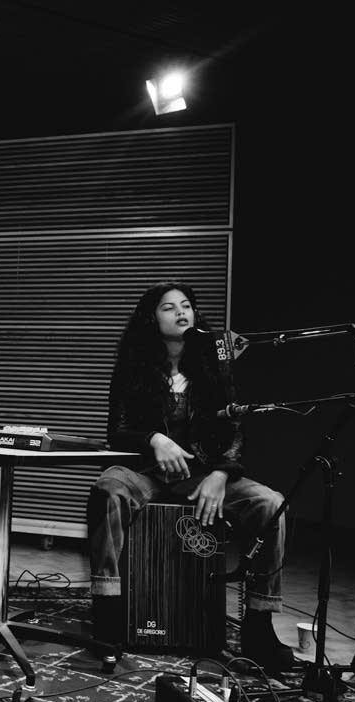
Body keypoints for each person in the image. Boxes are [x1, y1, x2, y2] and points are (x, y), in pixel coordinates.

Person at [87, 280, 295, 673]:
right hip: (144, 471)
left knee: (270, 505)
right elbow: (117, 430)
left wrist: (221, 472)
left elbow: (234, 428)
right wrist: (155, 439)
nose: (181, 312)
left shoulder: (214, 365)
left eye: (186, 305)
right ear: (151, 318)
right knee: (107, 490)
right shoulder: (132, 366)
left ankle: (259, 627)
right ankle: (108, 614)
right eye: (169, 307)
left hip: (202, 472)